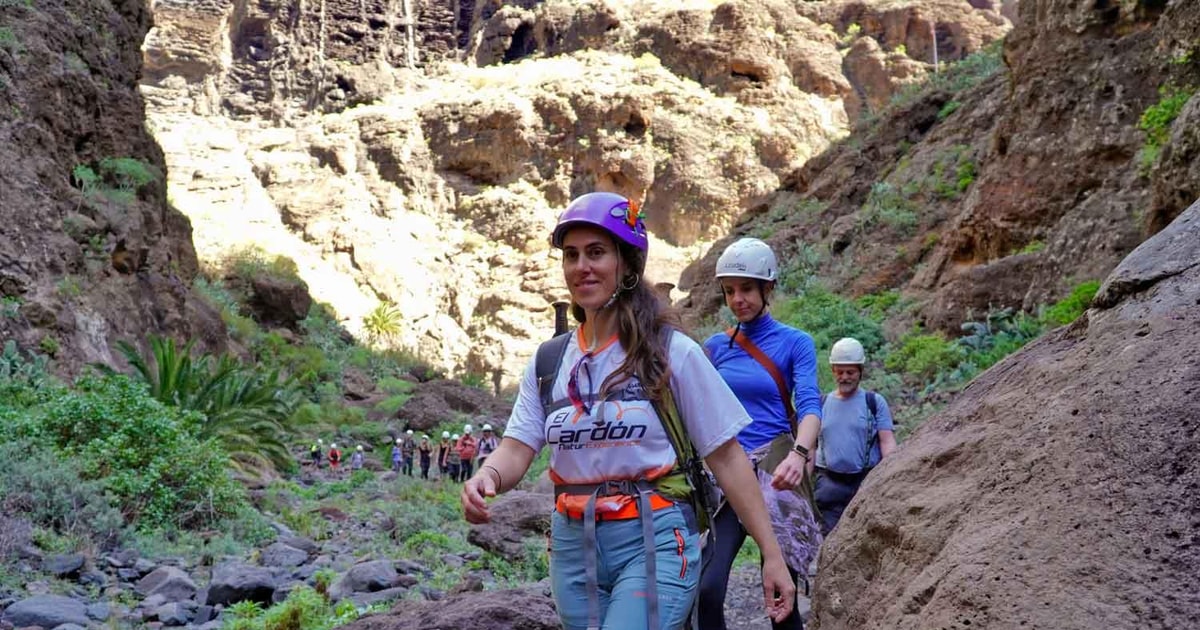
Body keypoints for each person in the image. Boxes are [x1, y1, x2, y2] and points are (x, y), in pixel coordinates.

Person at [461, 192, 795, 630]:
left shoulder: (671, 352)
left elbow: (727, 456)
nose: (582, 266)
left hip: (654, 536)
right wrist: (488, 475)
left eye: (597, 252)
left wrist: (772, 555)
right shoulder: (549, 362)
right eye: (571, 255)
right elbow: (518, 447)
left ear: (627, 264)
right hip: (572, 548)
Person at [699, 237, 824, 630]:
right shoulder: (715, 348)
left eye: (747, 289)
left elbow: (809, 406)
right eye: (730, 291)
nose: (738, 299)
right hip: (729, 476)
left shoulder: (795, 343)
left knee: (780, 594)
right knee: (707, 588)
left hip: (776, 472)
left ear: (768, 289)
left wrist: (799, 454)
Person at [813, 337, 897, 534]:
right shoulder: (821, 403)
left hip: (865, 483)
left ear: (860, 372)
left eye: (850, 372)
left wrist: (891, 475)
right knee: (828, 540)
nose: (844, 377)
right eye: (840, 372)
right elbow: (811, 447)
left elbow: (887, 442)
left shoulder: (874, 403)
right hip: (829, 486)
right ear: (833, 371)